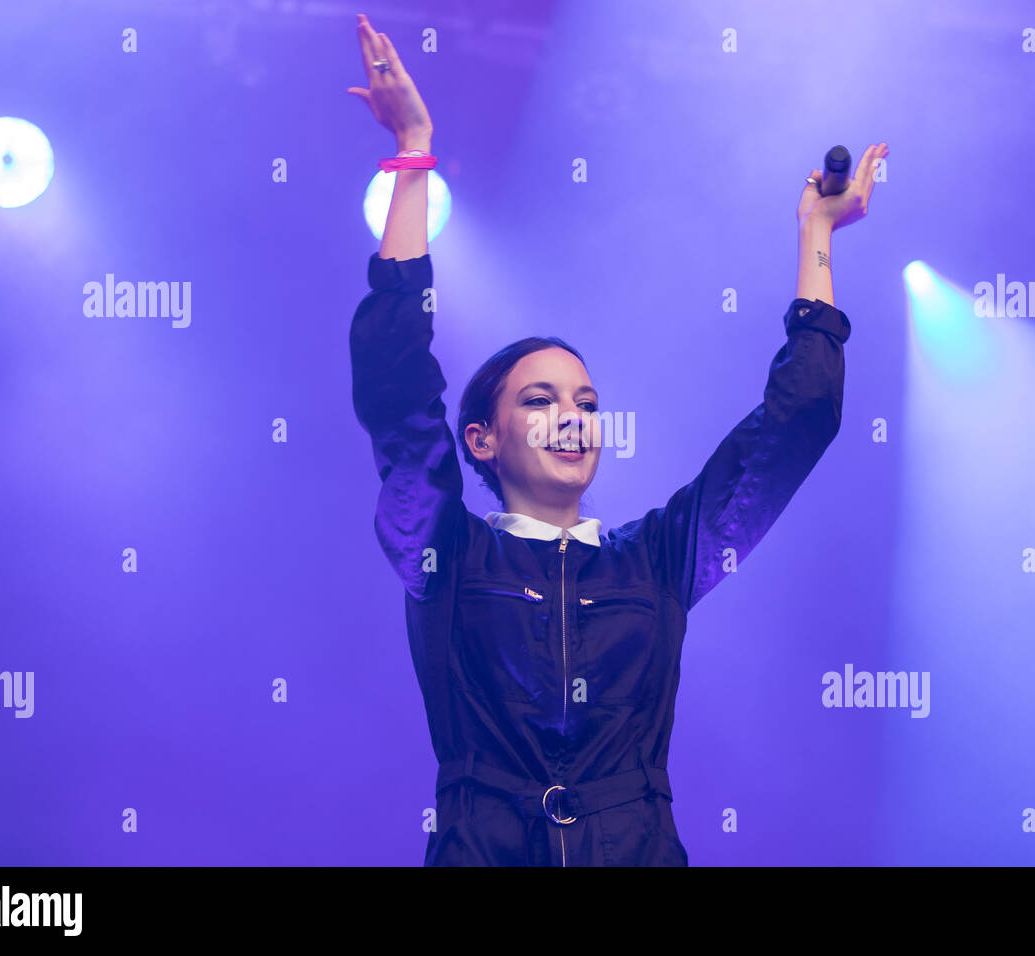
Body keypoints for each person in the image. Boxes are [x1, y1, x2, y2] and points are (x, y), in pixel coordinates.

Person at [347, 12, 886, 865]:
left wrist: (815, 237)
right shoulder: (445, 554)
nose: (573, 416)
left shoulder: (655, 559)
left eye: (588, 402)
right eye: (541, 399)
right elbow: (394, 382)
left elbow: (796, 424)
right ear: (482, 441)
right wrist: (414, 150)